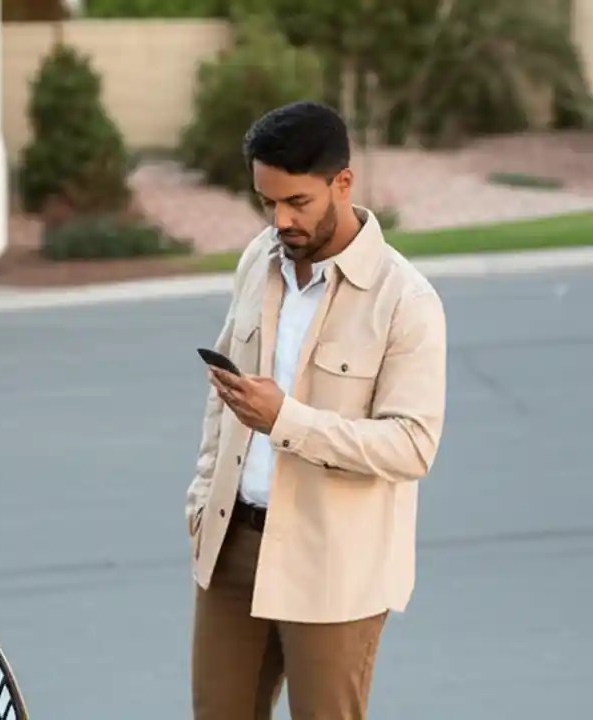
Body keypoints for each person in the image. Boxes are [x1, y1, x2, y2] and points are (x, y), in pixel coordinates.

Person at [184, 100, 447, 719]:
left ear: (343, 183)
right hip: (232, 548)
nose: (280, 220)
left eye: (296, 202)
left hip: (335, 570)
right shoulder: (258, 260)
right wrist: (201, 498)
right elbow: (222, 392)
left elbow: (412, 446)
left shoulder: (405, 301)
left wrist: (288, 421)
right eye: (267, 202)